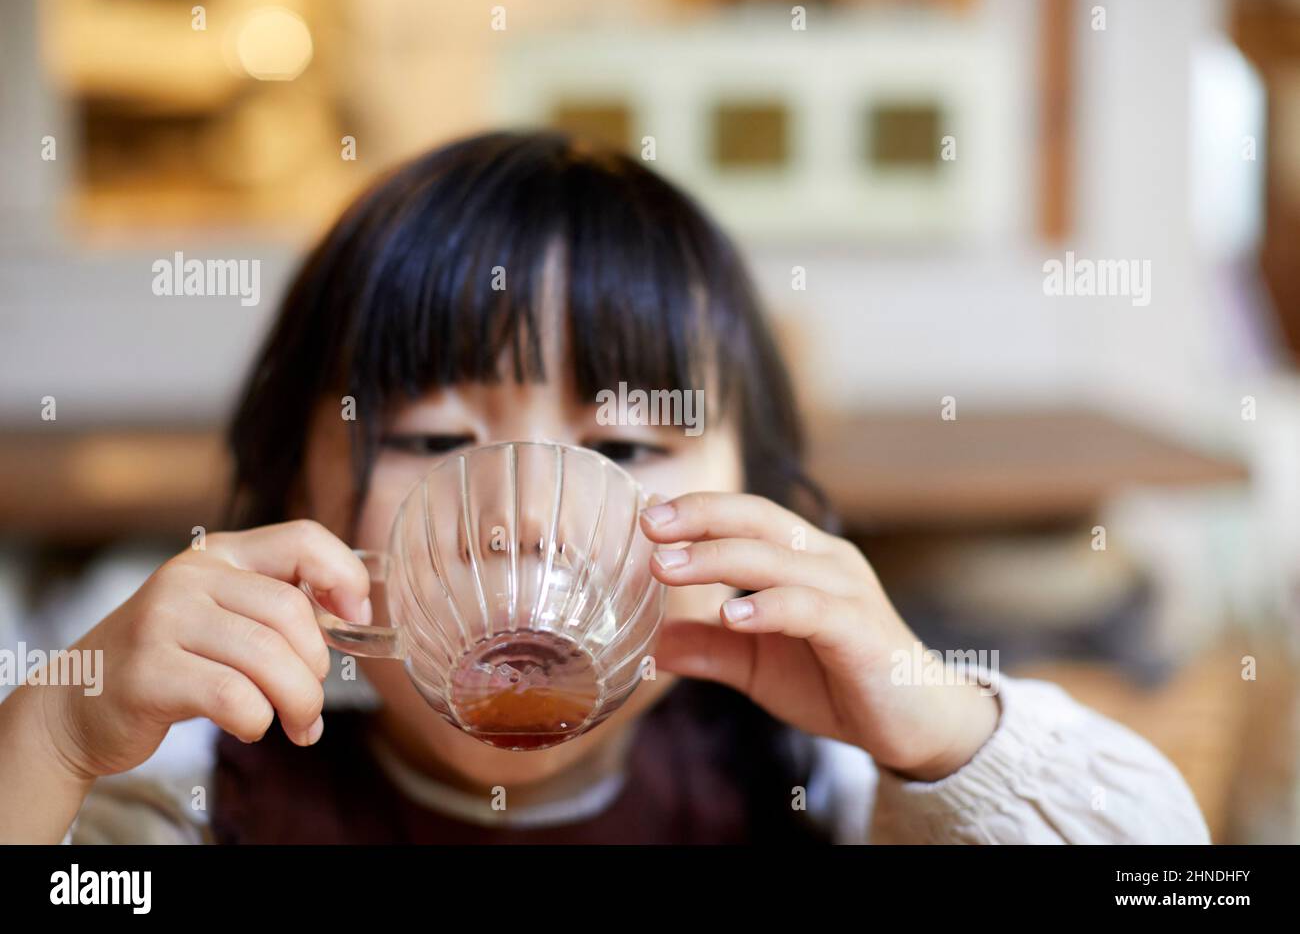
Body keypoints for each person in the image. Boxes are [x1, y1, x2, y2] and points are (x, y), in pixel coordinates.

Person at [0, 131, 1209, 843]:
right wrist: (53, 732)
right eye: (429, 438)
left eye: (625, 450)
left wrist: (942, 731)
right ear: (290, 499)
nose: (527, 514)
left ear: (769, 506)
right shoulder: (196, 787)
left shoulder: (815, 782)